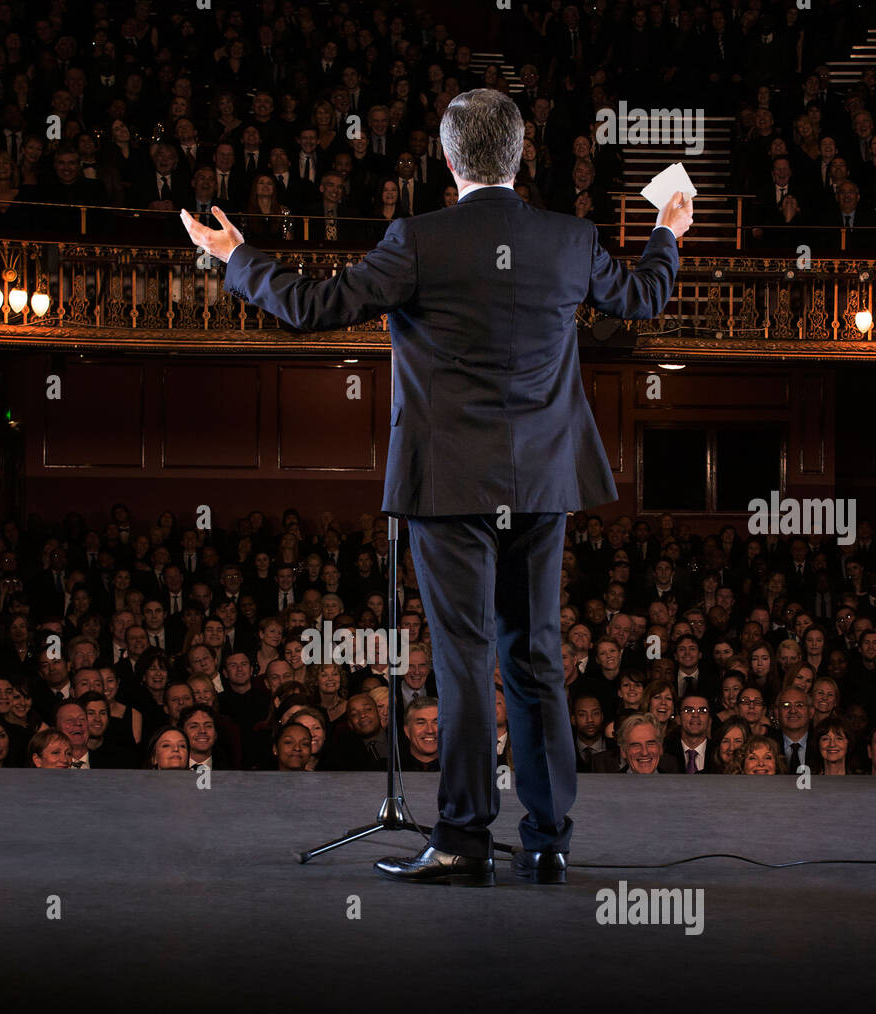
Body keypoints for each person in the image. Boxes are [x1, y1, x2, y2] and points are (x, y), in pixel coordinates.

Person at [182, 87, 690, 885]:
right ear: (518, 158)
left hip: (448, 485)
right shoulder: (569, 238)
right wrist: (667, 226)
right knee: (535, 658)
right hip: (542, 482)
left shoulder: (416, 240)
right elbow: (642, 297)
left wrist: (235, 258)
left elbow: (314, 307)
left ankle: (460, 840)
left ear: (449, 161)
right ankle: (549, 840)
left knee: (463, 660)